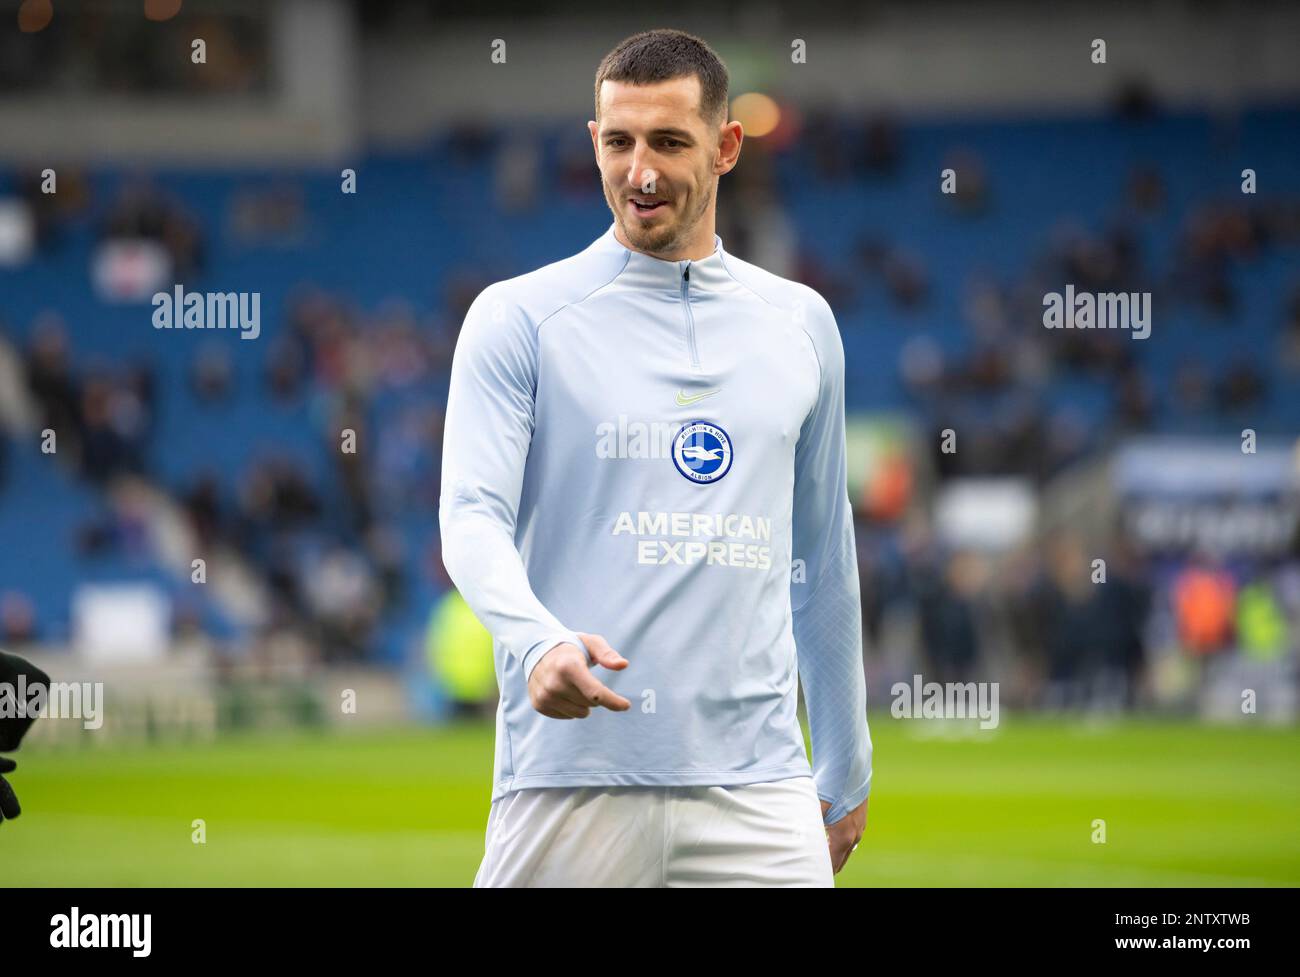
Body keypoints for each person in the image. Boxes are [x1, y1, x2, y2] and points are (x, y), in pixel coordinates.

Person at [439, 29, 871, 887]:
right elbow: (470, 515)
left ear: (726, 147)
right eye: (619, 141)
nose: (640, 171)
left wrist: (846, 765)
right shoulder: (517, 318)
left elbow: (821, 557)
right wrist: (537, 644)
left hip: (760, 787)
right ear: (592, 141)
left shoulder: (801, 324)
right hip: (570, 777)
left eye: (670, 142)